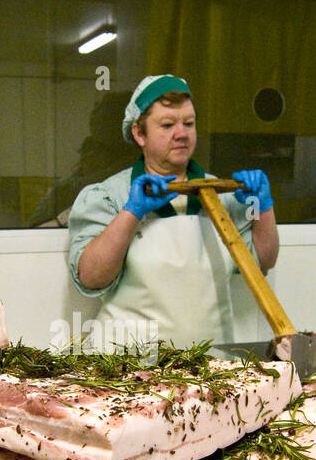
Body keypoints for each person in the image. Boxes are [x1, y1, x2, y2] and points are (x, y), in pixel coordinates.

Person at [67, 74, 279, 349]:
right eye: (167, 125)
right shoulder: (110, 196)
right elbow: (91, 278)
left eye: (188, 124)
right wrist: (131, 212)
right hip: (127, 373)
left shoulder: (219, 196)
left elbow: (262, 261)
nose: (181, 133)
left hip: (209, 367)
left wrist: (263, 207)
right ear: (139, 133)